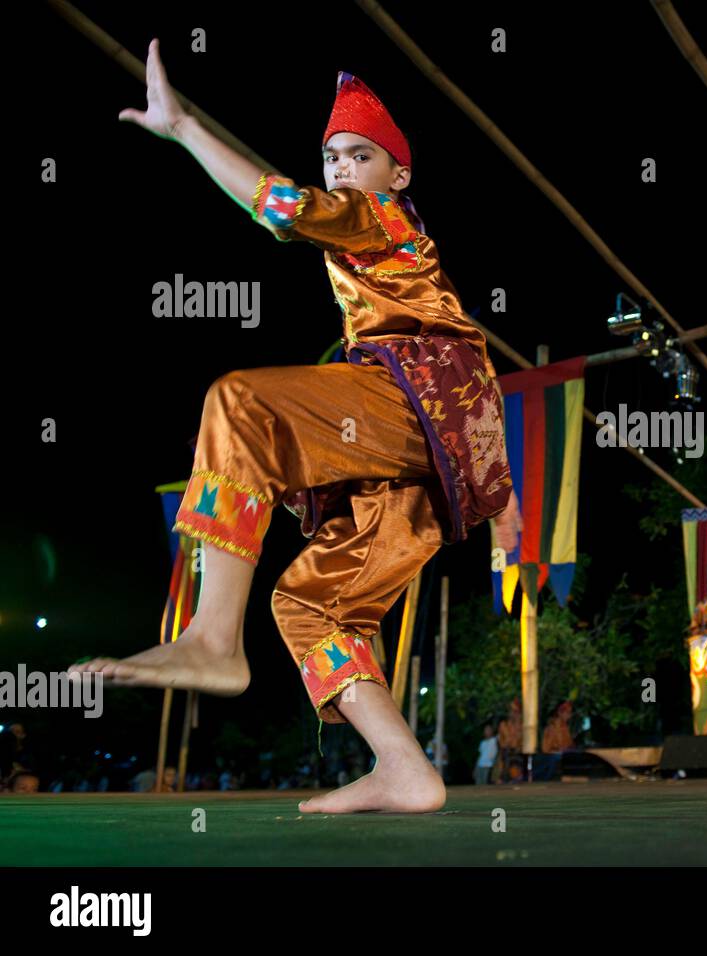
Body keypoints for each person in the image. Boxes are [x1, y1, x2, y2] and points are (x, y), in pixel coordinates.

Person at [67, 40, 523, 814]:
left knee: (242, 403)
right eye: (332, 156)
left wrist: (183, 130)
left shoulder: (382, 218)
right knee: (311, 605)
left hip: (407, 405)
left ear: (397, 175)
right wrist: (502, 499)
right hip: (428, 463)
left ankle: (213, 638)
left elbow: (282, 205)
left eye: (359, 155)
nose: (342, 168)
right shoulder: (386, 244)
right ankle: (406, 769)